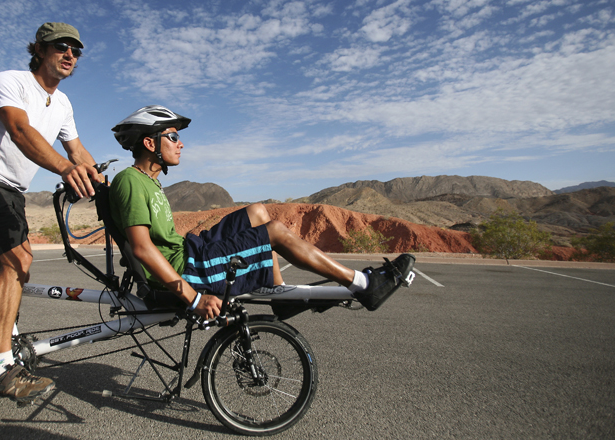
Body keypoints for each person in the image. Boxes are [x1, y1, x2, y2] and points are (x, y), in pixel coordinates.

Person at [108, 105, 415, 320]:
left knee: (257, 212)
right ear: (150, 142)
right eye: (172, 136)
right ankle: (364, 285)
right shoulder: (131, 181)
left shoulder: (149, 183)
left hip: (191, 250)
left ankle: (278, 294)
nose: (181, 143)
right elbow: (142, 248)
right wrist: (194, 298)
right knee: (276, 232)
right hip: (188, 268)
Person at [0, 22, 104, 403]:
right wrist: (65, 169)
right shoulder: (9, 81)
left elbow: (78, 151)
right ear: (41, 50)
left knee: (14, 264)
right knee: (18, 261)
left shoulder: (62, 104)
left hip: (11, 190)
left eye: (76, 51)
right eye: (62, 47)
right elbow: (18, 129)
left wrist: (102, 186)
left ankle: (1, 345)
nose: (70, 55)